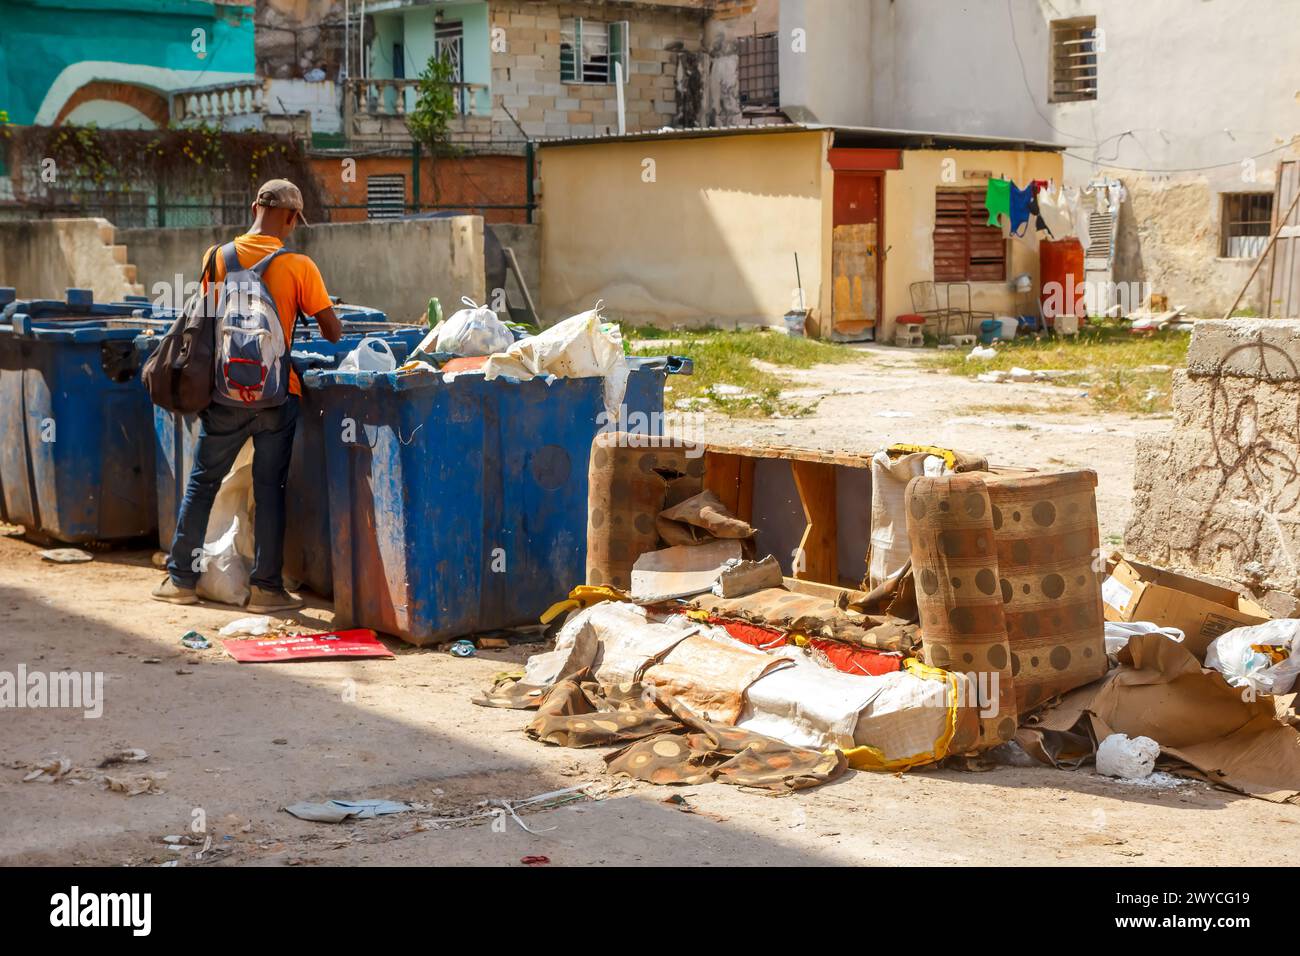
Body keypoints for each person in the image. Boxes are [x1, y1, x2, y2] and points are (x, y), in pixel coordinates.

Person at [152, 179, 342, 612]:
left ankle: (180, 579)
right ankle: (266, 590)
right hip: (278, 398)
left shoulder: (216, 258)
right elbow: (333, 333)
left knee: (202, 483)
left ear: (252, 205)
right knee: (270, 488)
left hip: (223, 396)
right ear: (291, 218)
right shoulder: (300, 266)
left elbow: (206, 319)